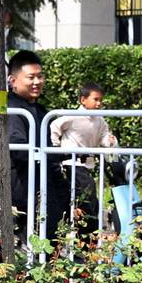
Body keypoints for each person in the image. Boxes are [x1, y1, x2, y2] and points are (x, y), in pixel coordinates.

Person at [50, 82, 118, 240]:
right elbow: (54, 126)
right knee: (85, 202)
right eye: (95, 99)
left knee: (88, 201)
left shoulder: (100, 120)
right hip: (71, 164)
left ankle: (85, 238)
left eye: (101, 100)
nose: (99, 103)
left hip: (87, 165)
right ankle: (85, 239)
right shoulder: (72, 116)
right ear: (83, 100)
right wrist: (54, 148)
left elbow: (103, 138)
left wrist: (110, 141)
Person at [7, 50, 46, 243]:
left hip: (35, 187)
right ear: (13, 81)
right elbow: (20, 149)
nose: (37, 82)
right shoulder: (13, 110)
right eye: (31, 77)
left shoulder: (38, 109)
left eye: (40, 76)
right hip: (19, 191)